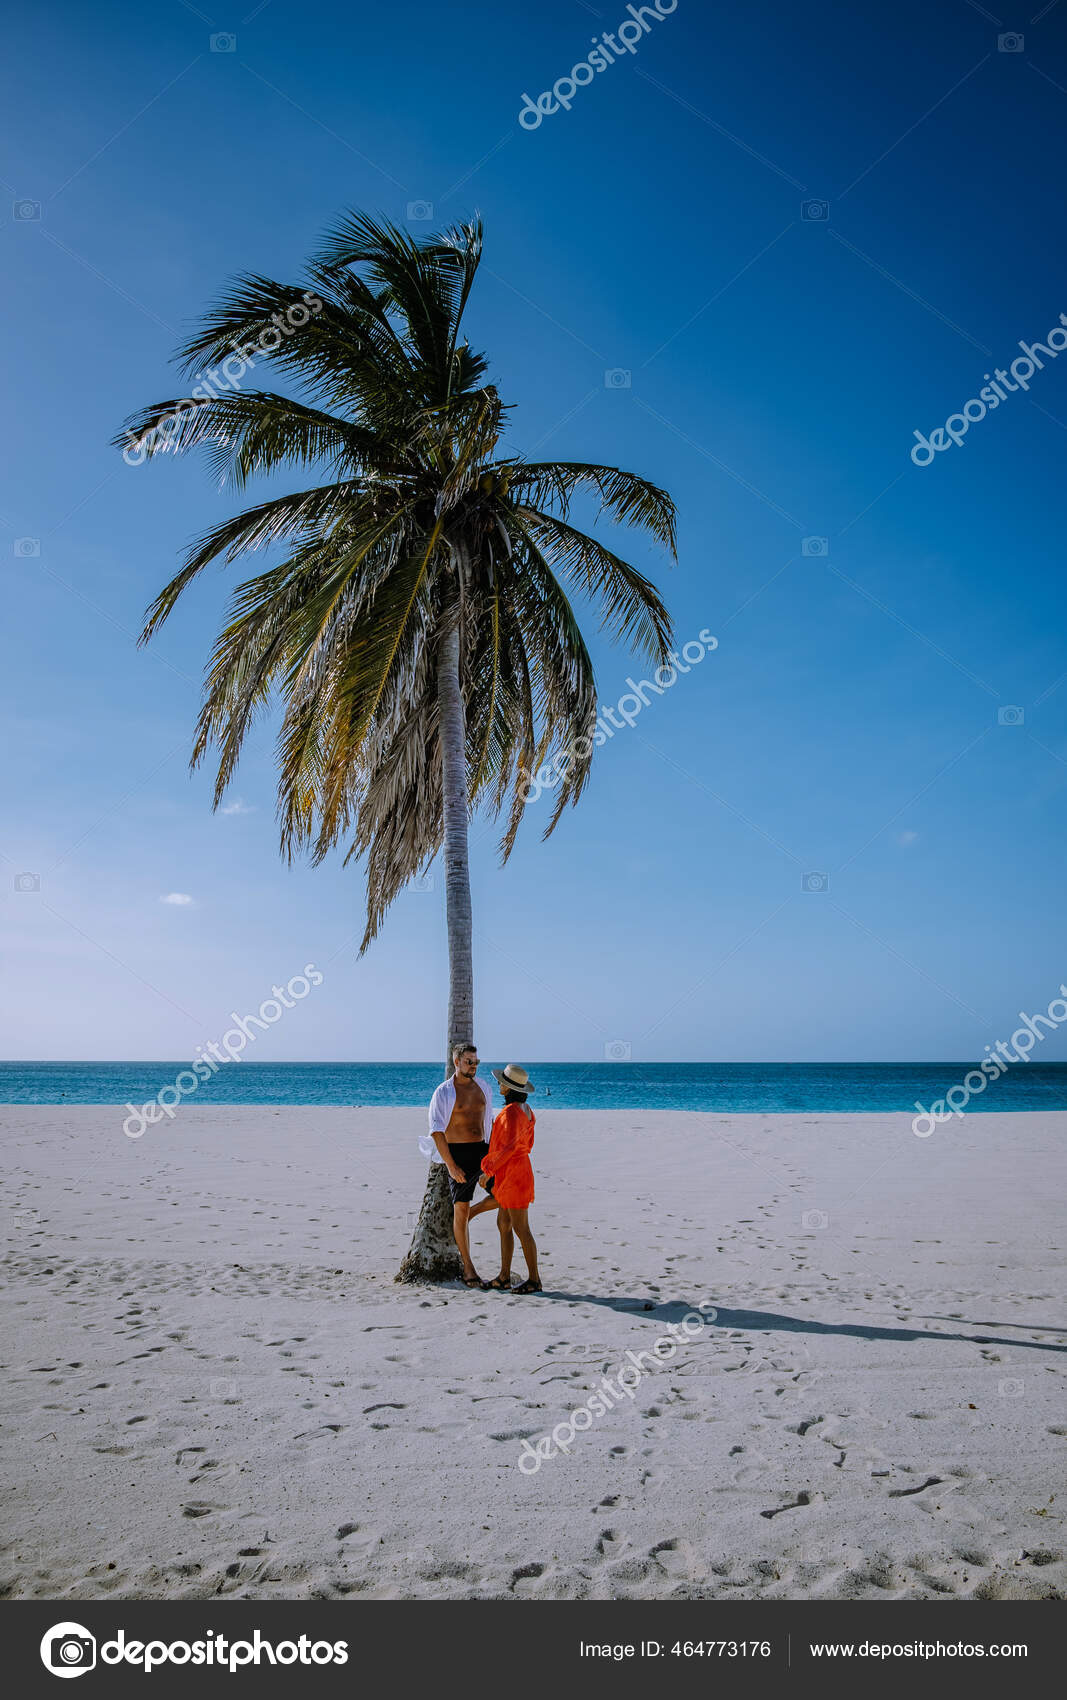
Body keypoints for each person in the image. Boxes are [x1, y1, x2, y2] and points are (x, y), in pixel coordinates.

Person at [468, 1063, 541, 1293]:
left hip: (513, 1173)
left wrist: (487, 1170)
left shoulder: (510, 1112)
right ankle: (504, 1277)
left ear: (508, 1088)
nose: (499, 1084)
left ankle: (534, 1280)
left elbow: (508, 1148)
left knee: (521, 1228)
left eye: (502, 1082)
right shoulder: (527, 1110)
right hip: (519, 1169)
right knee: (504, 1224)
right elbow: (527, 1144)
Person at [427, 1043, 493, 1288]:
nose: (473, 1066)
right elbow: (436, 1131)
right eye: (469, 1062)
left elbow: (490, 1122)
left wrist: (492, 1155)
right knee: (461, 1210)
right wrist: (451, 1166)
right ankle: (468, 1268)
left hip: (483, 1151)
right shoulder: (443, 1092)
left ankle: (473, 1213)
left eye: (476, 1062)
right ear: (456, 1062)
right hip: (459, 1154)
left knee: (505, 1196)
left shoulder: (483, 1087)